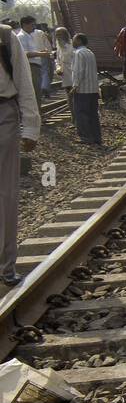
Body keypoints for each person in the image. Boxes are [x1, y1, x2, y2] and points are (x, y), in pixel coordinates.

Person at [0, 23, 41, 287]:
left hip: (3, 115)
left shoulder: (4, 36)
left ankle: (5, 266)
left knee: (5, 193)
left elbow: (24, 83)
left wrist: (31, 127)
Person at [67, 33, 102, 146]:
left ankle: (86, 137)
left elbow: (78, 71)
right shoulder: (90, 52)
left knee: (81, 113)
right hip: (93, 89)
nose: (72, 41)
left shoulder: (78, 53)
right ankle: (97, 138)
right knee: (93, 114)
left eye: (74, 39)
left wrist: (75, 86)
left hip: (83, 90)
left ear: (79, 41)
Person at [17, 17, 52, 101]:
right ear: (25, 25)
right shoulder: (21, 37)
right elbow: (24, 54)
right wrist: (41, 54)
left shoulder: (29, 36)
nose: (34, 27)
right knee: (35, 93)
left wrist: (41, 52)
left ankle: (39, 112)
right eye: (32, 25)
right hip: (30, 67)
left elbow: (32, 52)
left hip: (36, 66)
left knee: (37, 92)